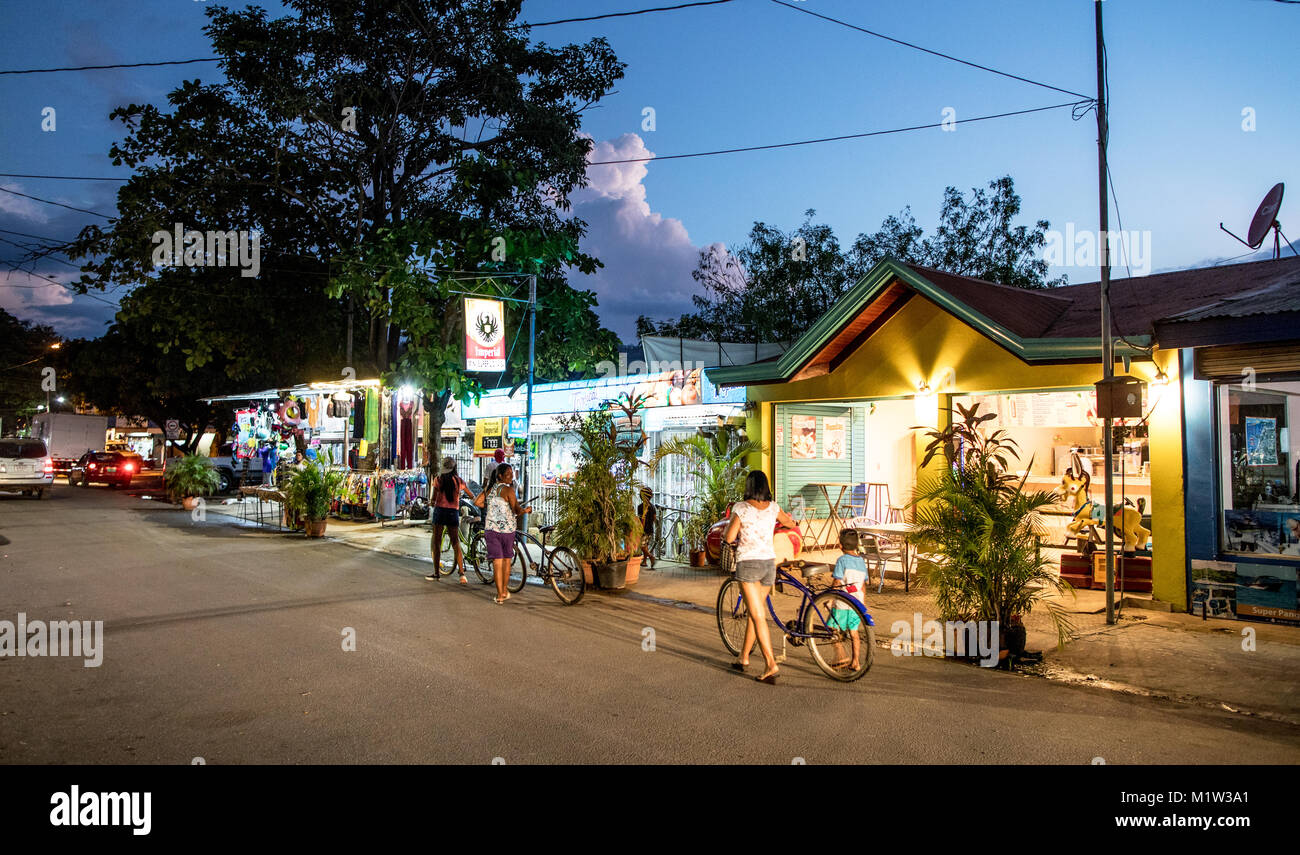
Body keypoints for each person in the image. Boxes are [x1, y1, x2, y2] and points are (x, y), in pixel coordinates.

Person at [723, 470, 800, 685]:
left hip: (748, 565)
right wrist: (785, 526)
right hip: (768, 566)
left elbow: (729, 536)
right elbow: (789, 523)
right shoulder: (773, 507)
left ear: (748, 487)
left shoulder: (741, 508)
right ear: (765, 487)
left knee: (758, 615)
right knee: (754, 614)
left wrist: (727, 537)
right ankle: (744, 657)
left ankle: (770, 663)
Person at [474, 462, 531, 604]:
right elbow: (517, 510)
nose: (511, 476)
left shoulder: (490, 489)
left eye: (512, 473)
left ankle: (500, 595)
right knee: (506, 561)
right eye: (509, 474)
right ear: (500, 475)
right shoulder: (509, 490)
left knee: (497, 562)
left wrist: (491, 506)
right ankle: (504, 591)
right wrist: (526, 511)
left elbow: (477, 502)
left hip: (491, 530)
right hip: (507, 531)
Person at [426, 457, 475, 585]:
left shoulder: (438, 480)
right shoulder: (459, 481)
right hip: (453, 513)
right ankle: (462, 574)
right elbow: (471, 495)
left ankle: (437, 573)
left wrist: (431, 502)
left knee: (437, 542)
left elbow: (433, 499)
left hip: (440, 512)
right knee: (455, 543)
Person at [828, 528, 868, 671]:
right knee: (854, 633)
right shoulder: (862, 562)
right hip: (857, 602)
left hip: (842, 602)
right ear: (857, 545)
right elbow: (863, 585)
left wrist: (828, 597)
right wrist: (863, 603)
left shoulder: (842, 560)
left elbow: (837, 582)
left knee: (832, 628)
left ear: (840, 546)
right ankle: (856, 662)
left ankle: (841, 656)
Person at [637, 487, 657, 569]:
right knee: (645, 546)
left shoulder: (640, 507)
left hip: (644, 529)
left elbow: (640, 519)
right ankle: (644, 562)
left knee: (642, 546)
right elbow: (654, 518)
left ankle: (651, 556)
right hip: (650, 529)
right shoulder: (652, 507)